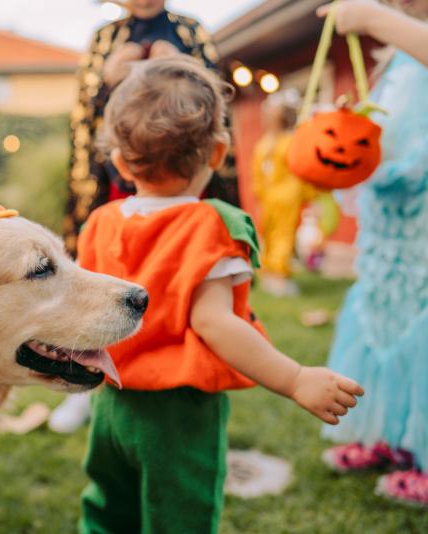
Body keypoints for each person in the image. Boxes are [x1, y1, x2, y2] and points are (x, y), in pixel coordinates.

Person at [76, 56, 363, 533]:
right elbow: (214, 322)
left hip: (111, 405)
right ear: (217, 152)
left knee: (108, 509)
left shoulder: (101, 223)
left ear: (122, 162)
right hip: (178, 413)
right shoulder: (212, 226)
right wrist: (294, 379)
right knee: (178, 517)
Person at [52, 0, 237, 433]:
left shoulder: (191, 32)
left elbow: (217, 97)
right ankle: (93, 374)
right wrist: (109, 79)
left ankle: (178, 368)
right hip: (120, 179)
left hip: (180, 180)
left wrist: (184, 69)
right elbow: (85, 110)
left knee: (175, 275)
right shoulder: (104, 40)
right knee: (110, 272)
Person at [315, 0, 428, 508]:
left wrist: (375, 19)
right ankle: (391, 435)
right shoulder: (398, 59)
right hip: (390, 224)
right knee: (387, 320)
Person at [251, 92, 316, 296]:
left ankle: (274, 273)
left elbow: (261, 174)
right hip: (278, 197)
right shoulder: (278, 141)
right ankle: (274, 274)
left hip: (278, 196)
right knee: (276, 235)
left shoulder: (277, 141)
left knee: (277, 235)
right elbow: (297, 168)